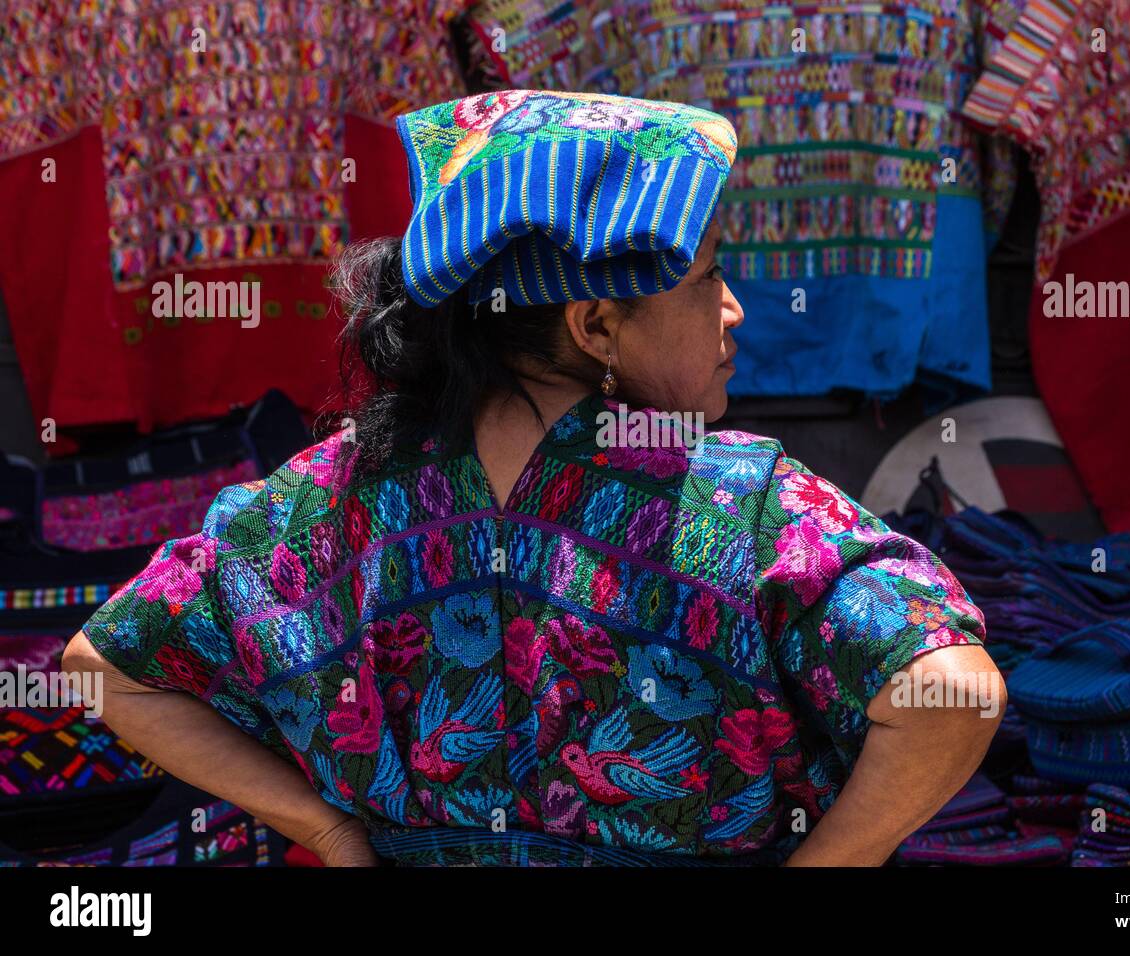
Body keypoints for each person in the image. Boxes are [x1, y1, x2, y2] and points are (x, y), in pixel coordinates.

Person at [61, 89, 1005, 866]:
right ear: (594, 327)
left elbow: (105, 671)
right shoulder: (740, 507)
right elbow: (956, 694)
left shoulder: (329, 500)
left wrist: (329, 831)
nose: (736, 312)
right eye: (705, 280)